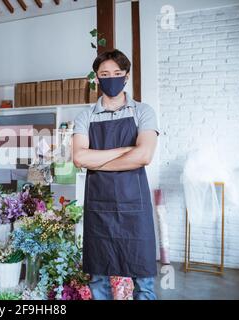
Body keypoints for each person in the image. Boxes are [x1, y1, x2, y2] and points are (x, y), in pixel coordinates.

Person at [73, 49, 159, 300]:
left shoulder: (143, 111)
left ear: (126, 76)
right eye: (104, 74)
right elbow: (79, 158)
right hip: (99, 207)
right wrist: (125, 151)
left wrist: (96, 161)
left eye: (117, 73)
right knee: (98, 277)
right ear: (97, 78)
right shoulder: (85, 115)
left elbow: (144, 156)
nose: (111, 78)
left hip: (134, 206)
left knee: (143, 279)